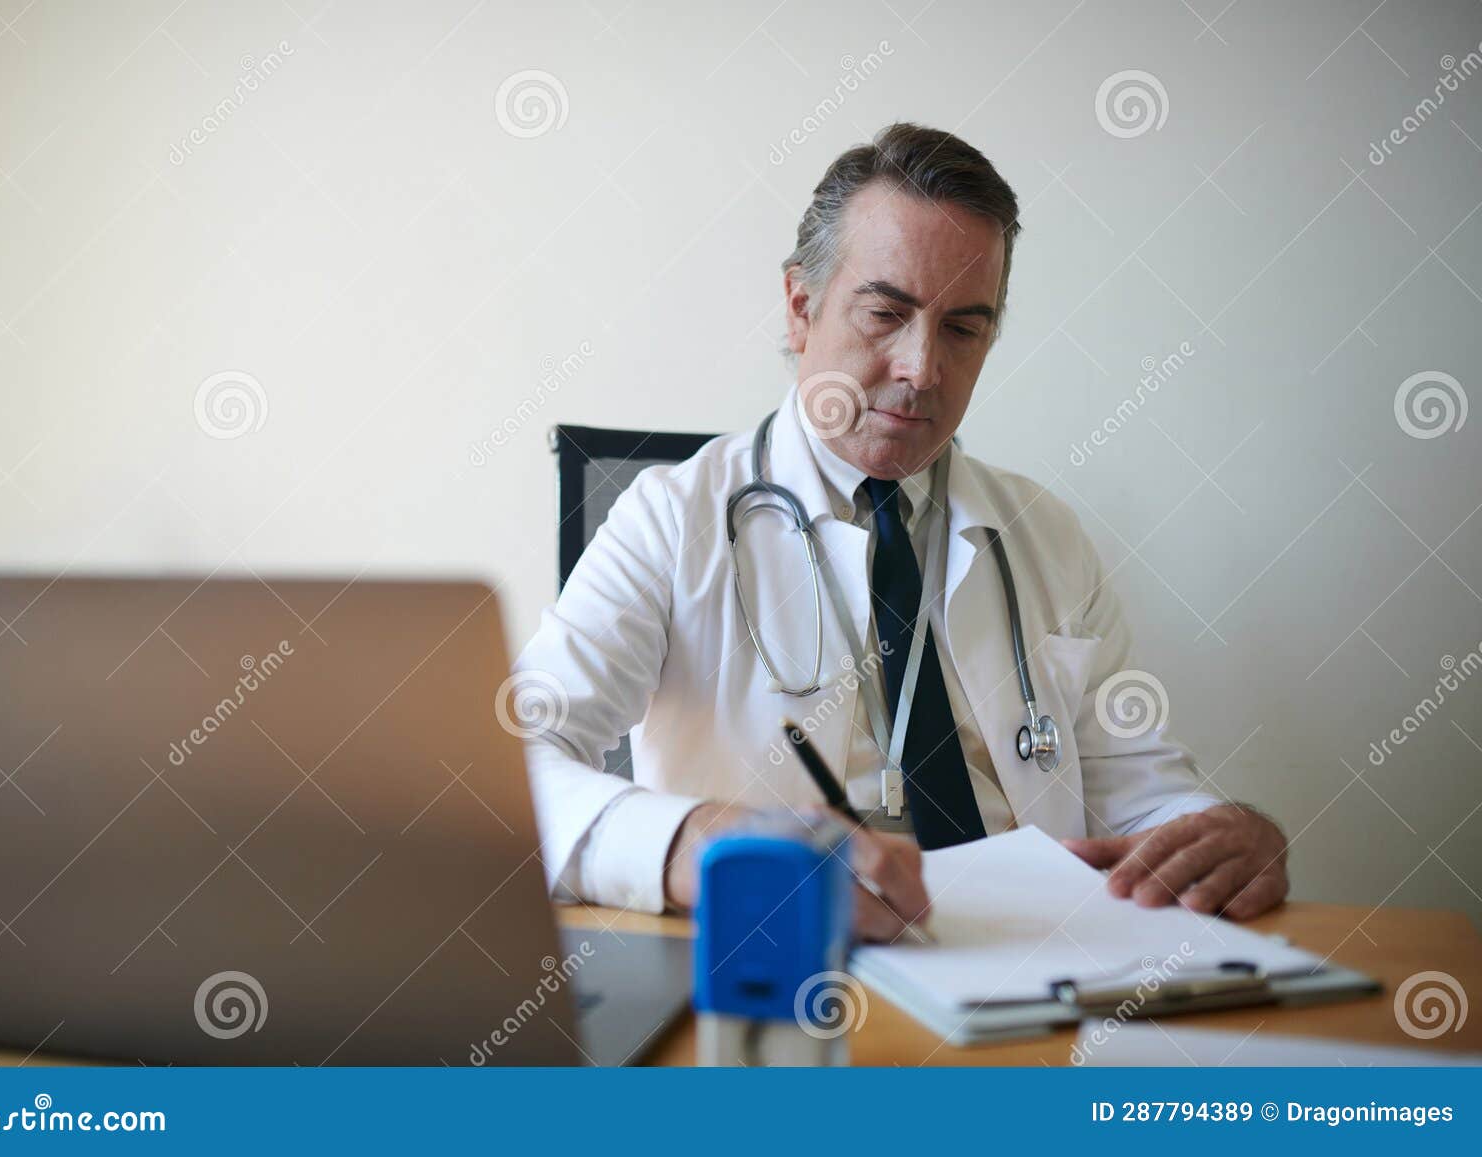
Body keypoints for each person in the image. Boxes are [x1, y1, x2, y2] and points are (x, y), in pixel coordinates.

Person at [511, 122, 1288, 941]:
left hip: (1034, 965)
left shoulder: (1044, 535)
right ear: (801, 307)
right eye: (887, 312)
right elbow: (505, 774)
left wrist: (1229, 832)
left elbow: (1148, 793)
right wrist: (706, 846)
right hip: (789, 956)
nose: (923, 369)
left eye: (963, 328)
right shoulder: (671, 518)